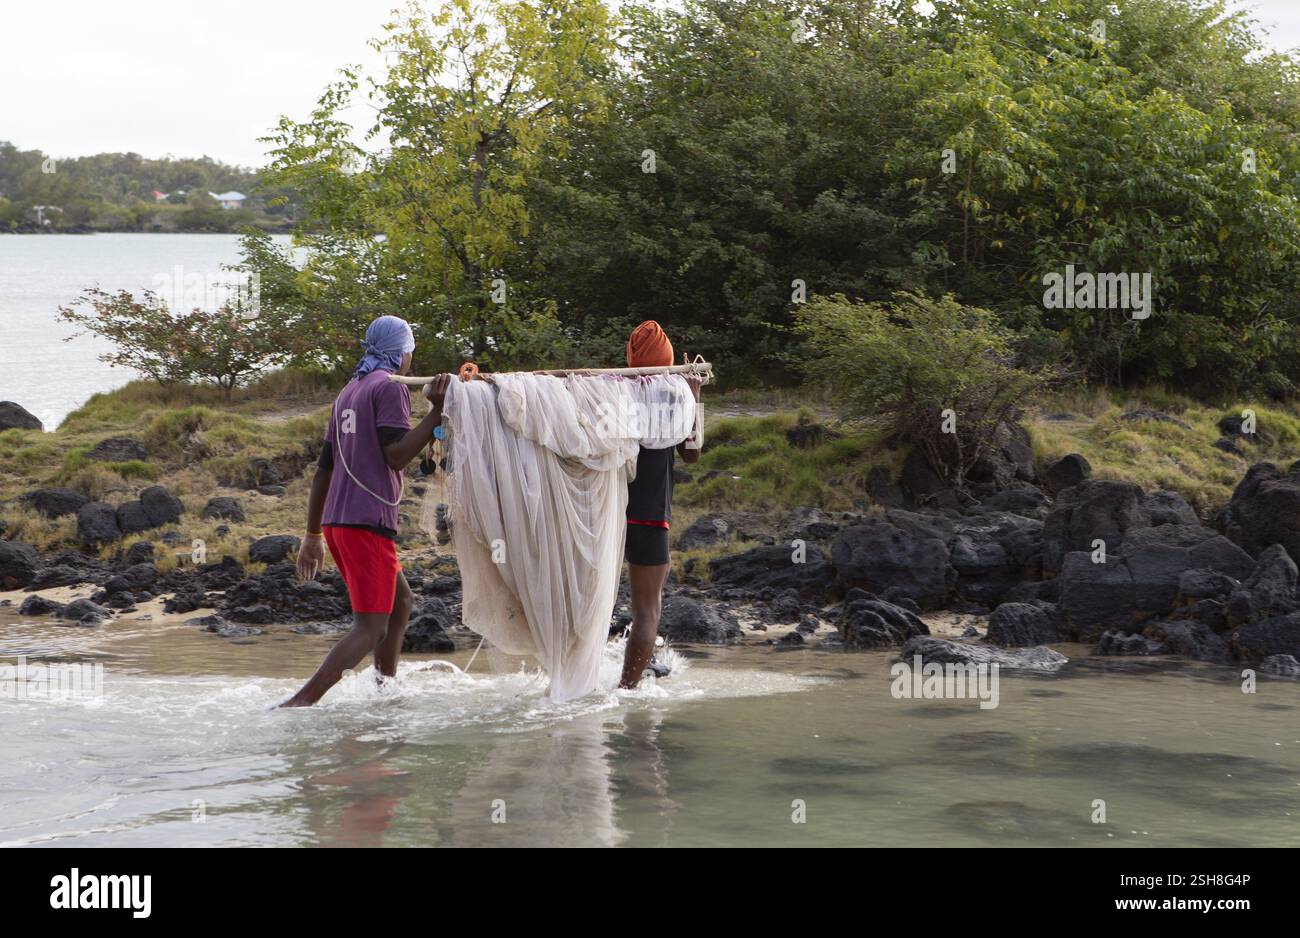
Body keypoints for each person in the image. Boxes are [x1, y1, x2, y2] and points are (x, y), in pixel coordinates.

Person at [281, 315, 451, 707]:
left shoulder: (348, 391)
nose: (411, 356)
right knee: (370, 627)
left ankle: (383, 690)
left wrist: (312, 534)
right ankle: (300, 703)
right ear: (399, 351)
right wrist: (436, 413)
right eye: (409, 348)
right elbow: (395, 456)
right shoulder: (389, 388)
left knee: (401, 602)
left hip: (339, 522)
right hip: (365, 522)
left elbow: (324, 468)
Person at [618, 320, 702, 689]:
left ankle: (642, 663)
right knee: (647, 609)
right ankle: (627, 691)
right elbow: (693, 453)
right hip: (648, 515)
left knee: (627, 597)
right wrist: (695, 394)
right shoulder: (674, 396)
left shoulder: (616, 392)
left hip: (609, 512)